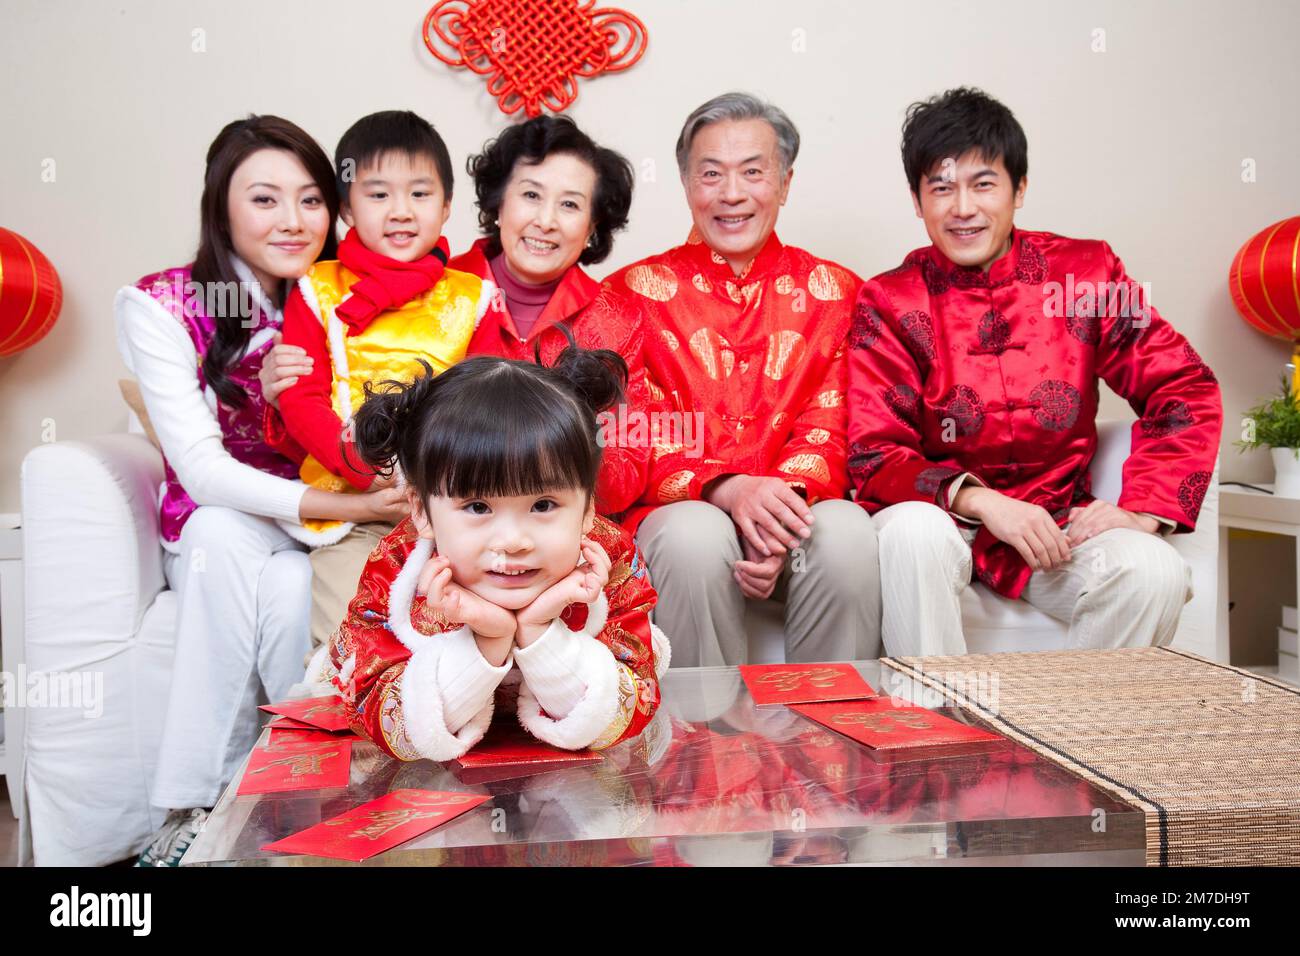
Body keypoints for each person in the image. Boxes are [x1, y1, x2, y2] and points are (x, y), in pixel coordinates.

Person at [114, 115, 405, 866]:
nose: (292, 222)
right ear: (221, 207)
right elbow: (203, 472)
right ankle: (194, 804)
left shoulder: (357, 298)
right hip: (233, 513)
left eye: (310, 201)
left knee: (286, 589)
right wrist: (352, 506)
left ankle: (296, 802)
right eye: (264, 200)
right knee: (217, 537)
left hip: (329, 524)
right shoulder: (163, 303)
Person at [847, 87, 1223, 655]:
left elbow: (1183, 385)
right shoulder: (889, 300)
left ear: (1019, 189)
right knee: (912, 534)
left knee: (1154, 572)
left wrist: (1145, 510)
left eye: (983, 184)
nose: (963, 208)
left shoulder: (1085, 275)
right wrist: (982, 503)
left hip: (1058, 527)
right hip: (945, 523)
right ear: (917, 200)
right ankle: (931, 733)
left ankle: (1075, 739)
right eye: (941, 188)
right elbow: (875, 454)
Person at [606, 91, 882, 667]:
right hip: (682, 517)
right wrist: (727, 489)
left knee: (848, 533)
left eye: (752, 173)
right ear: (686, 184)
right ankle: (703, 744)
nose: (731, 194)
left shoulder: (837, 293)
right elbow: (626, 431)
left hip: (801, 509)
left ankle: (827, 736)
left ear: (784, 183)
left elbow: (830, 424)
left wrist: (777, 514)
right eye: (711, 174)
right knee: (694, 535)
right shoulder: (629, 296)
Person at [309, 347, 669, 759]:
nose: (513, 541)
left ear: (587, 508)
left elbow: (618, 715)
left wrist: (537, 629)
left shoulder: (607, 560)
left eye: (543, 505)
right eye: (478, 507)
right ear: (421, 511)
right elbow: (395, 727)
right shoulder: (397, 571)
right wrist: (488, 637)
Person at [269, 110, 495, 653]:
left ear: (445, 208)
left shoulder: (472, 295)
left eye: (419, 194)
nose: (400, 211)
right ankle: (340, 722)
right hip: (355, 508)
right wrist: (364, 469)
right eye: (378, 195)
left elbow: (484, 405)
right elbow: (300, 398)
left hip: (452, 506)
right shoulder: (316, 290)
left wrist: (440, 483)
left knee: (465, 630)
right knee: (345, 636)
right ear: (345, 208)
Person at [448, 114, 649, 515]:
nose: (546, 221)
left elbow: (628, 472)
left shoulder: (617, 321)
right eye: (531, 195)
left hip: (564, 536)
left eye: (570, 204)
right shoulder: (438, 291)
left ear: (592, 226)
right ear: (498, 204)